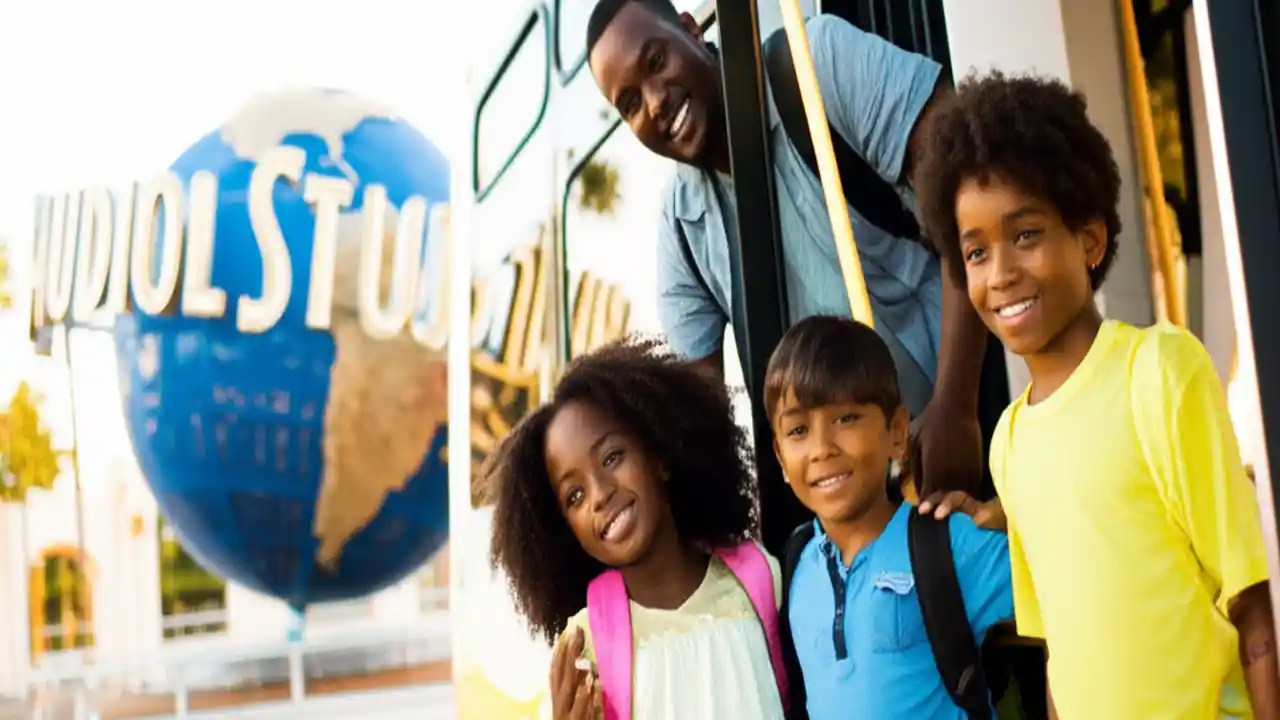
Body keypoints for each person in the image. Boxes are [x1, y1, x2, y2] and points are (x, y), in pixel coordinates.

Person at [915, 71, 1279, 718]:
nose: (1000, 274)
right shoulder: (1010, 441)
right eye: (975, 252)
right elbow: (1060, 651)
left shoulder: (1160, 374)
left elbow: (1254, 613)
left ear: (1089, 238)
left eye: (1025, 235)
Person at [584, 0, 997, 499]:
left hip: (975, 408)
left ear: (692, 31)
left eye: (656, 63)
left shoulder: (813, 60)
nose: (655, 102)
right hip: (864, 503)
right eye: (629, 103)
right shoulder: (682, 226)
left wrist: (957, 404)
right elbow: (697, 417)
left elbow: (972, 188)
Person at [488, 338, 791, 720]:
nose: (600, 494)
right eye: (575, 496)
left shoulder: (760, 578)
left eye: (612, 457)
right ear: (565, 528)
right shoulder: (587, 644)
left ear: (660, 453)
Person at [765, 315, 1014, 719]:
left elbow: (1075, 584)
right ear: (779, 456)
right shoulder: (795, 565)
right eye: (797, 431)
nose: (821, 448)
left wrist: (1009, 515)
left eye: (845, 419)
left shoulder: (946, 543)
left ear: (897, 431)